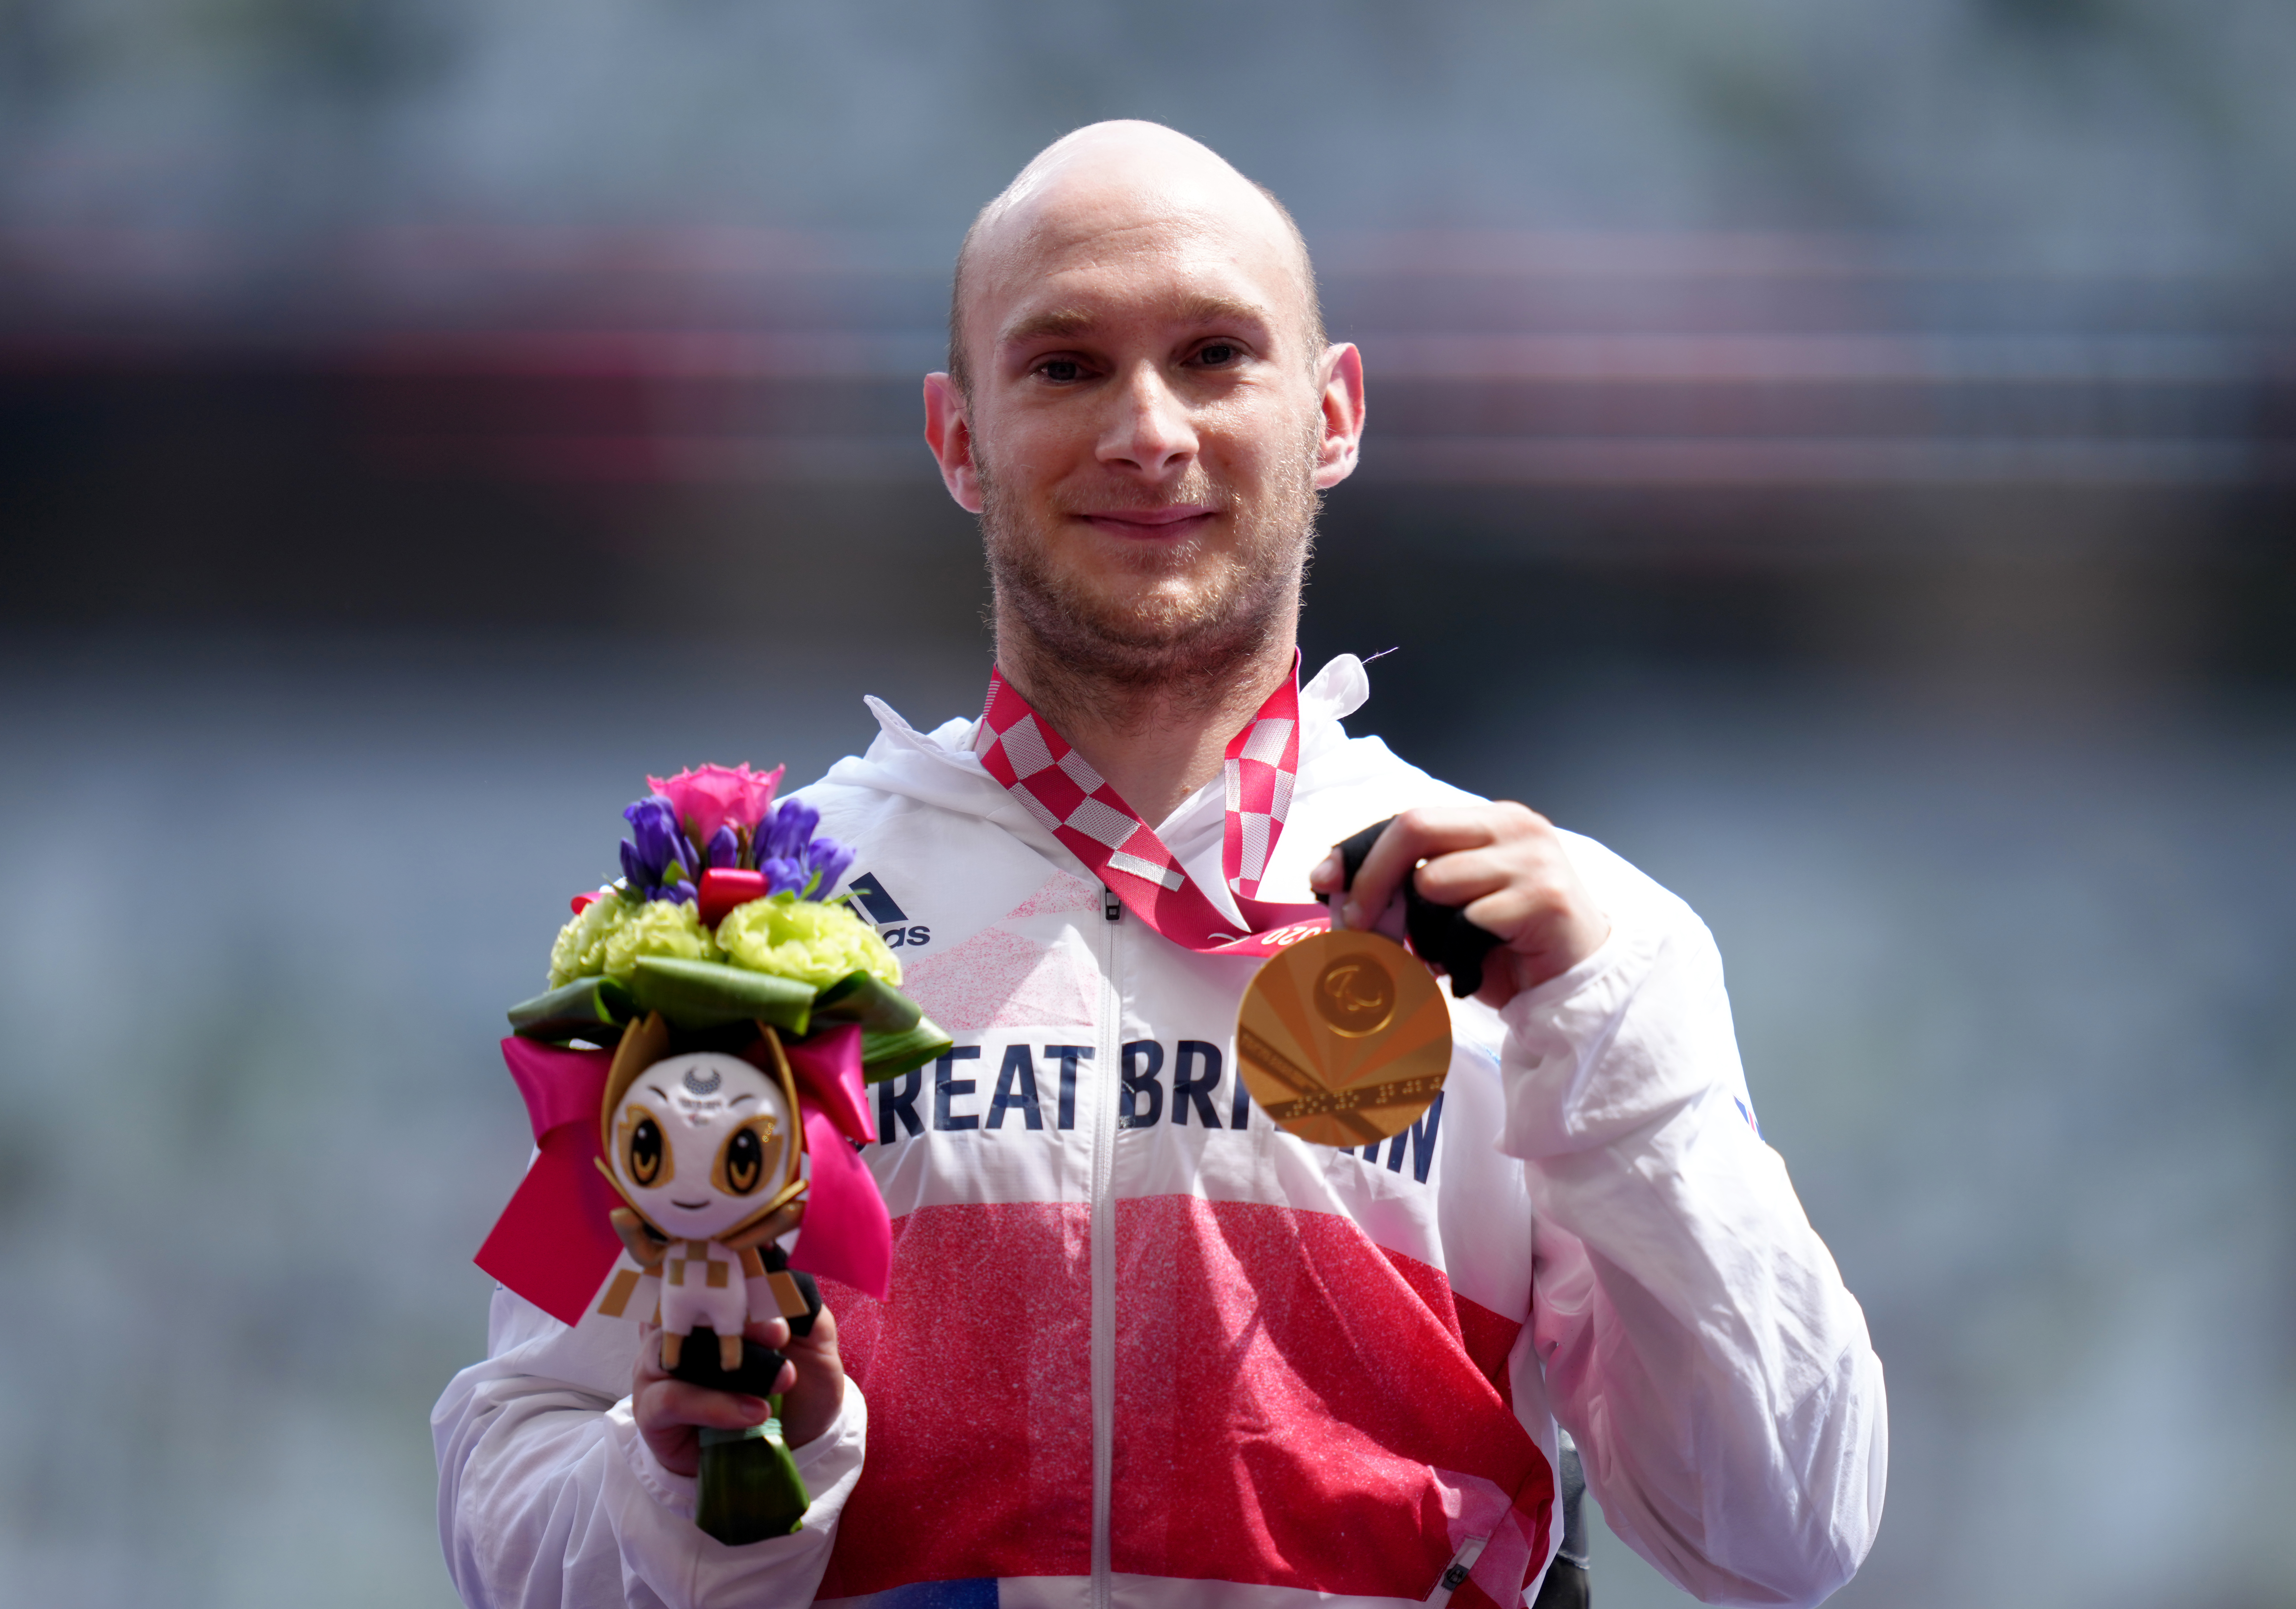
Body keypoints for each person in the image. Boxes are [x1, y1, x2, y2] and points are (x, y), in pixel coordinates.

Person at [435, 120, 1887, 1609]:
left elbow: (1784, 1533)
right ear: (957, 437)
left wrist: (1609, 1049)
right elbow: (507, 1472)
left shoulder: (1576, 947)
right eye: (1063, 366)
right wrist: (698, 1491)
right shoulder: (721, 939)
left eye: (1213, 356)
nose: (1148, 432)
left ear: (1334, 414)